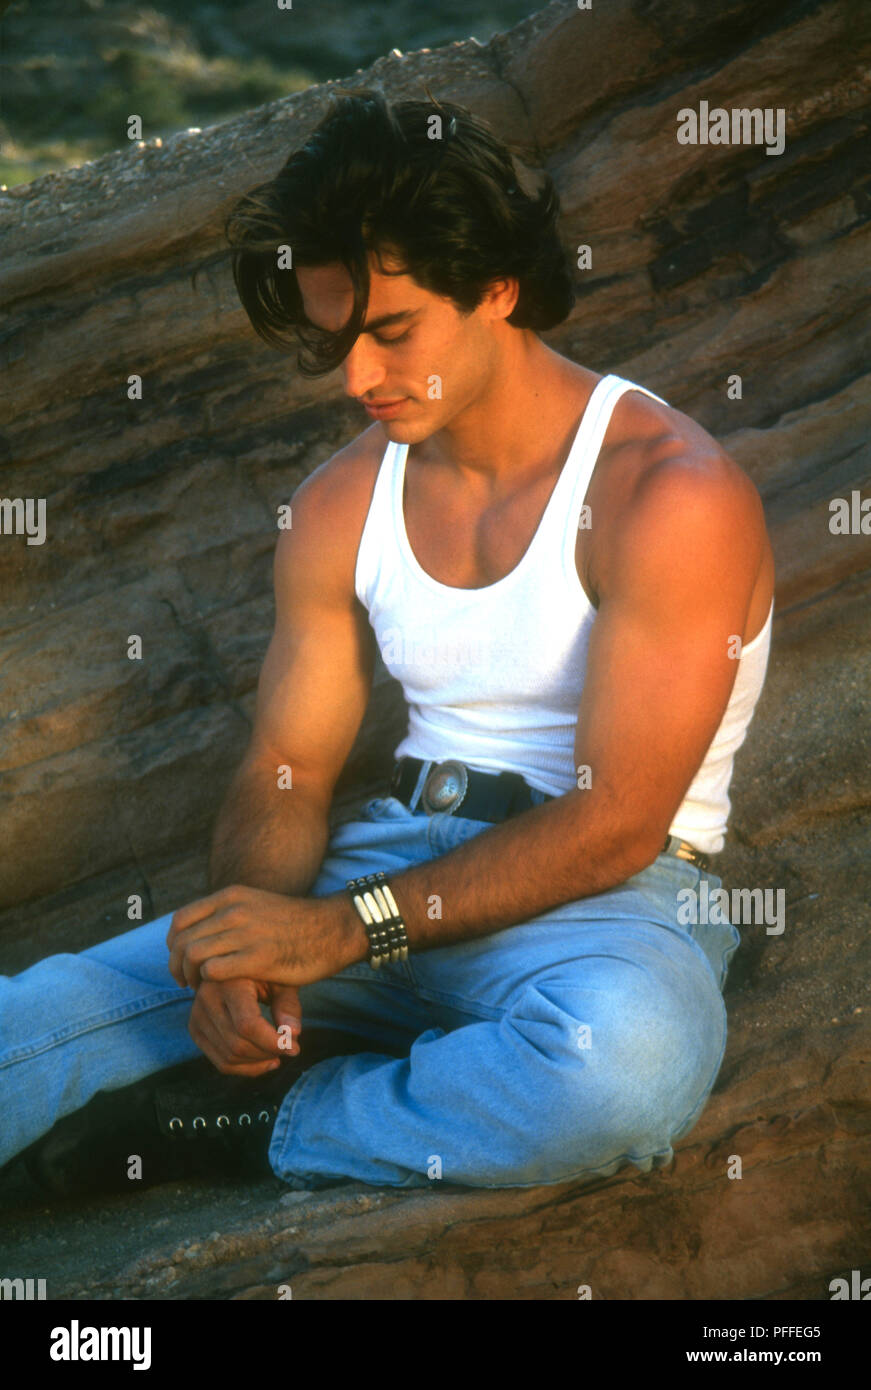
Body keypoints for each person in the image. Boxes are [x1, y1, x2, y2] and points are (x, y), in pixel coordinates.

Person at [0, 90, 775, 1199]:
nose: (359, 377)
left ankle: (239, 1124)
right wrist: (241, 947)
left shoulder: (667, 493)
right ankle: (286, 1064)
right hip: (387, 857)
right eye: (336, 342)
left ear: (497, 286)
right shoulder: (338, 504)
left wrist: (333, 934)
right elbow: (290, 767)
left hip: (609, 910)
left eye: (390, 330)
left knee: (619, 1074)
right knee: (31, 1019)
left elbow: (613, 823)